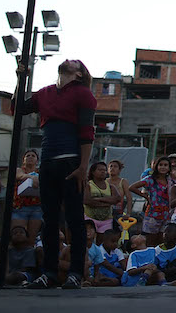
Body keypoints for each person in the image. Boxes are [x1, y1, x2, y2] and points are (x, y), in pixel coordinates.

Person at [15, 59, 96, 290]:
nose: (69, 59)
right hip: (48, 163)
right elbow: (19, 109)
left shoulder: (83, 94)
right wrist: (20, 79)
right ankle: (49, 273)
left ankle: (75, 274)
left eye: (75, 62)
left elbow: (87, 132)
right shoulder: (45, 93)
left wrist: (82, 167)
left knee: (74, 219)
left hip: (71, 162)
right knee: (49, 221)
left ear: (79, 73)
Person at [130, 156, 172, 245]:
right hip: (153, 214)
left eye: (166, 165)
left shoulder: (171, 180)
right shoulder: (150, 179)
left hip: (166, 214)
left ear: (169, 168)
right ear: (156, 166)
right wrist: (145, 197)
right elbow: (132, 187)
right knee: (150, 241)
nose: (163, 167)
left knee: (162, 241)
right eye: (161, 165)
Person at [11, 149, 43, 244]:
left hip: (37, 208)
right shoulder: (19, 170)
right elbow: (20, 176)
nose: (30, 157)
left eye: (33, 156)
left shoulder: (40, 172)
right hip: (20, 207)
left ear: (37, 160)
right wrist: (32, 177)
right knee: (17, 238)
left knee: (31, 240)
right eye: (28, 156)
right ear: (23, 159)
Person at [84, 161, 121, 236]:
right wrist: (108, 202)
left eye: (104, 170)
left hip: (106, 220)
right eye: (100, 170)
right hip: (90, 218)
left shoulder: (111, 187)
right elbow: (87, 201)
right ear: (93, 172)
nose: (103, 172)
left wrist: (98, 199)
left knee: (102, 242)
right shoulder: (88, 185)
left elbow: (117, 199)